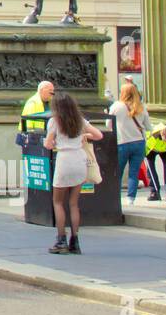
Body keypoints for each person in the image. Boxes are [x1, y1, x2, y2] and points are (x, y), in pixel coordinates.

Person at [42, 91, 104, 254]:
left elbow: (48, 145)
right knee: (74, 203)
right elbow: (99, 135)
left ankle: (61, 240)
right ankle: (75, 241)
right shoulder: (80, 120)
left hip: (64, 159)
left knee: (58, 202)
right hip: (79, 159)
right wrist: (84, 135)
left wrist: (53, 141)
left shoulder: (54, 122)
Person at [109, 81, 150, 204]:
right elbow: (148, 127)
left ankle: (115, 197)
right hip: (138, 143)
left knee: (118, 171)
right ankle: (131, 199)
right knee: (134, 172)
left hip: (122, 142)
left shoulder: (116, 106)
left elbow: (108, 124)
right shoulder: (141, 107)